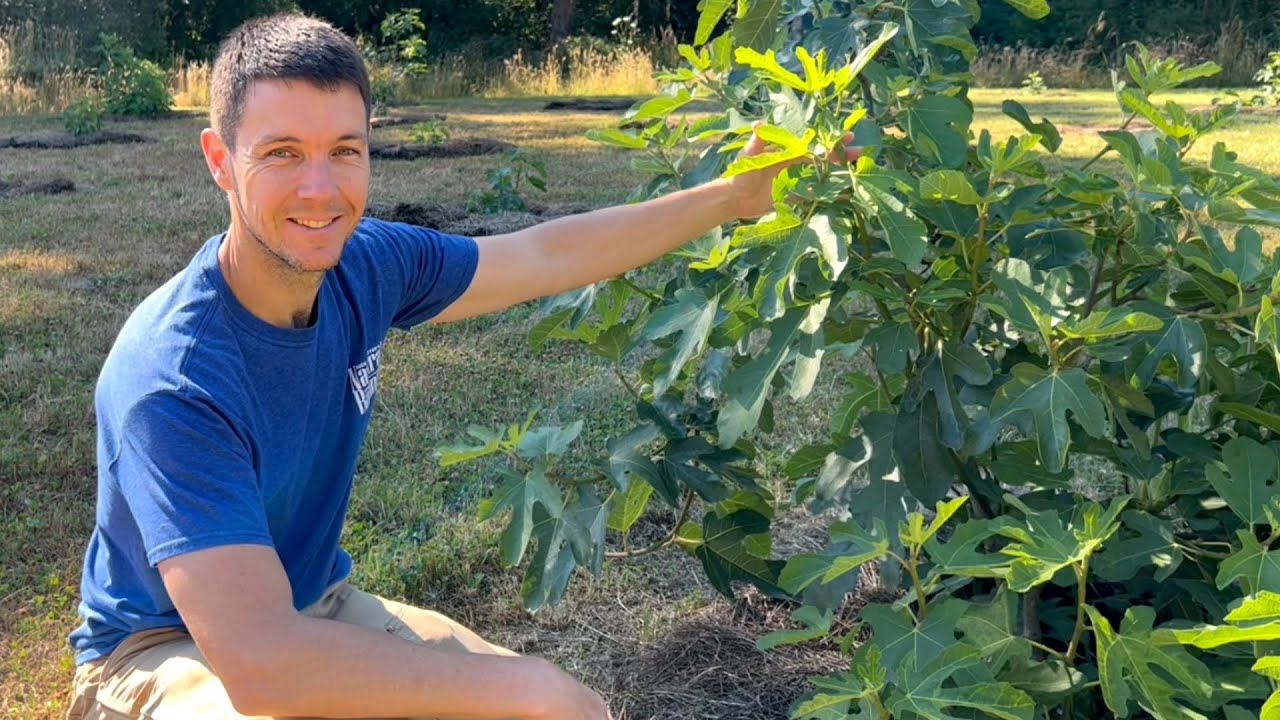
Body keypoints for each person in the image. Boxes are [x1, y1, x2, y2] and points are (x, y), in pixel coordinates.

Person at [64, 11, 849, 720]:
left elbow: (544, 251)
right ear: (219, 160)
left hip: (313, 604)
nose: (320, 187)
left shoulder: (366, 266)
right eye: (281, 154)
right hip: (157, 655)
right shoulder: (175, 379)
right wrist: (525, 684)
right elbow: (263, 665)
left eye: (345, 150)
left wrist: (731, 199)